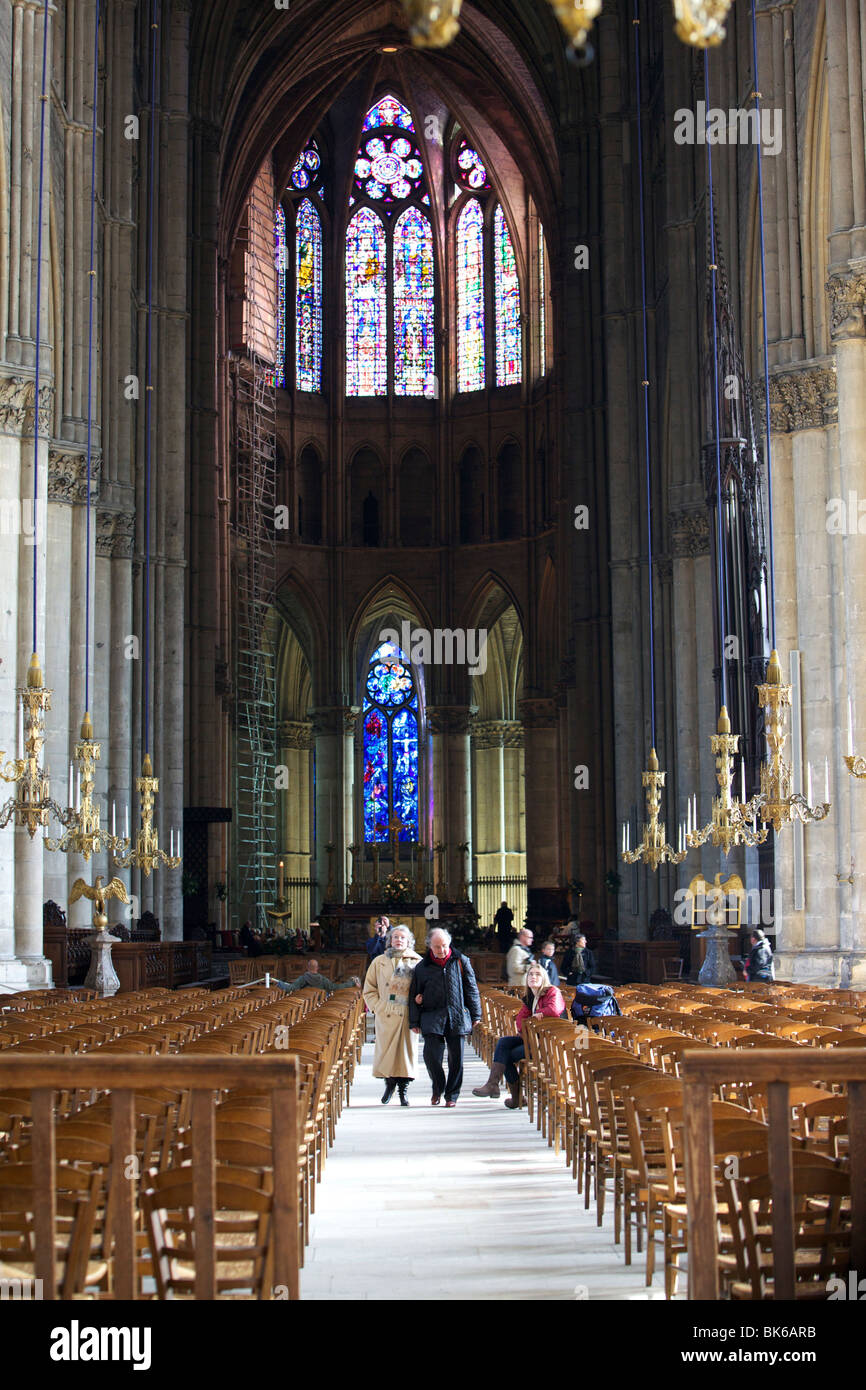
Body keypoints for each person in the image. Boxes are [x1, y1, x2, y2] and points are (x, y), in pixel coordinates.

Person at [473, 961, 567, 1107]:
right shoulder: (530, 997)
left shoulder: (552, 991)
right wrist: (530, 1021)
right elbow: (520, 1021)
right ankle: (493, 1084)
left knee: (507, 1056)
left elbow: (554, 1010)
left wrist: (539, 1014)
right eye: (530, 974)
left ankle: (514, 1097)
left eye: (537, 974)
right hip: (532, 1039)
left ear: (544, 978)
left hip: (549, 1043)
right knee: (503, 1042)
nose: (533, 977)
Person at [409, 927, 482, 1107]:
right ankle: (438, 1086)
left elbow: (471, 989)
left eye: (444, 946)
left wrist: (476, 1014)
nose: (441, 950)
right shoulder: (422, 967)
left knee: (456, 1058)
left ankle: (452, 1095)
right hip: (432, 1015)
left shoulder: (461, 961)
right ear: (430, 947)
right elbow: (414, 995)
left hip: (456, 1013)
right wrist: (414, 1020)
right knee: (431, 1056)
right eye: (437, 947)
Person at [362, 925, 423, 1106]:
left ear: (409, 941)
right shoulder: (379, 961)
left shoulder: (416, 962)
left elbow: (424, 987)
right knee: (387, 1054)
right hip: (386, 1014)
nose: (398, 940)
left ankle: (403, 1091)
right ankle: (389, 1086)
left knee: (405, 1055)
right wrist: (378, 1007)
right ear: (390, 940)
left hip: (406, 1015)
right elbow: (369, 989)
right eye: (395, 937)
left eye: (402, 938)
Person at [273, 959, 361, 996]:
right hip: (320, 1006)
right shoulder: (323, 979)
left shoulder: (303, 978)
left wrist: (280, 984)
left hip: (305, 1006)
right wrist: (352, 983)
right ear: (317, 968)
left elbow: (291, 988)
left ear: (307, 968)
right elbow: (336, 988)